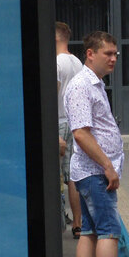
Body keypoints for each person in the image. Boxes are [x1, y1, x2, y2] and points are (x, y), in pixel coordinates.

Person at [64, 31, 129, 257]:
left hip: (92, 171)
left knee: (89, 232)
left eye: (115, 54)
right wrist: (108, 166)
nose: (113, 59)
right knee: (108, 231)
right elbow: (81, 134)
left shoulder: (95, 84)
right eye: (107, 54)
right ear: (90, 54)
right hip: (94, 172)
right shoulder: (81, 86)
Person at [56, 22, 84, 237]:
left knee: (55, 174)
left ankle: (57, 221)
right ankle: (78, 223)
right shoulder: (77, 62)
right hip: (74, 122)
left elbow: (51, 94)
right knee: (72, 175)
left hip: (58, 121)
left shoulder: (56, 62)